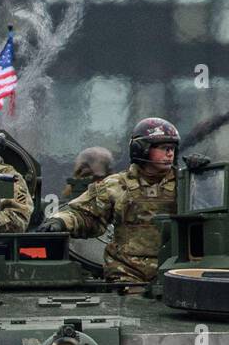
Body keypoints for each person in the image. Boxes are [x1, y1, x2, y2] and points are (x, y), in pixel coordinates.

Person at [35, 118, 180, 287]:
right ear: (142, 149)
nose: (170, 153)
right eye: (164, 148)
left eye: (173, 148)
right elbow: (85, 214)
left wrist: (201, 175)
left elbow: (209, 215)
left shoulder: (185, 183)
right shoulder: (116, 185)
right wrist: (60, 222)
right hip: (127, 277)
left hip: (177, 274)